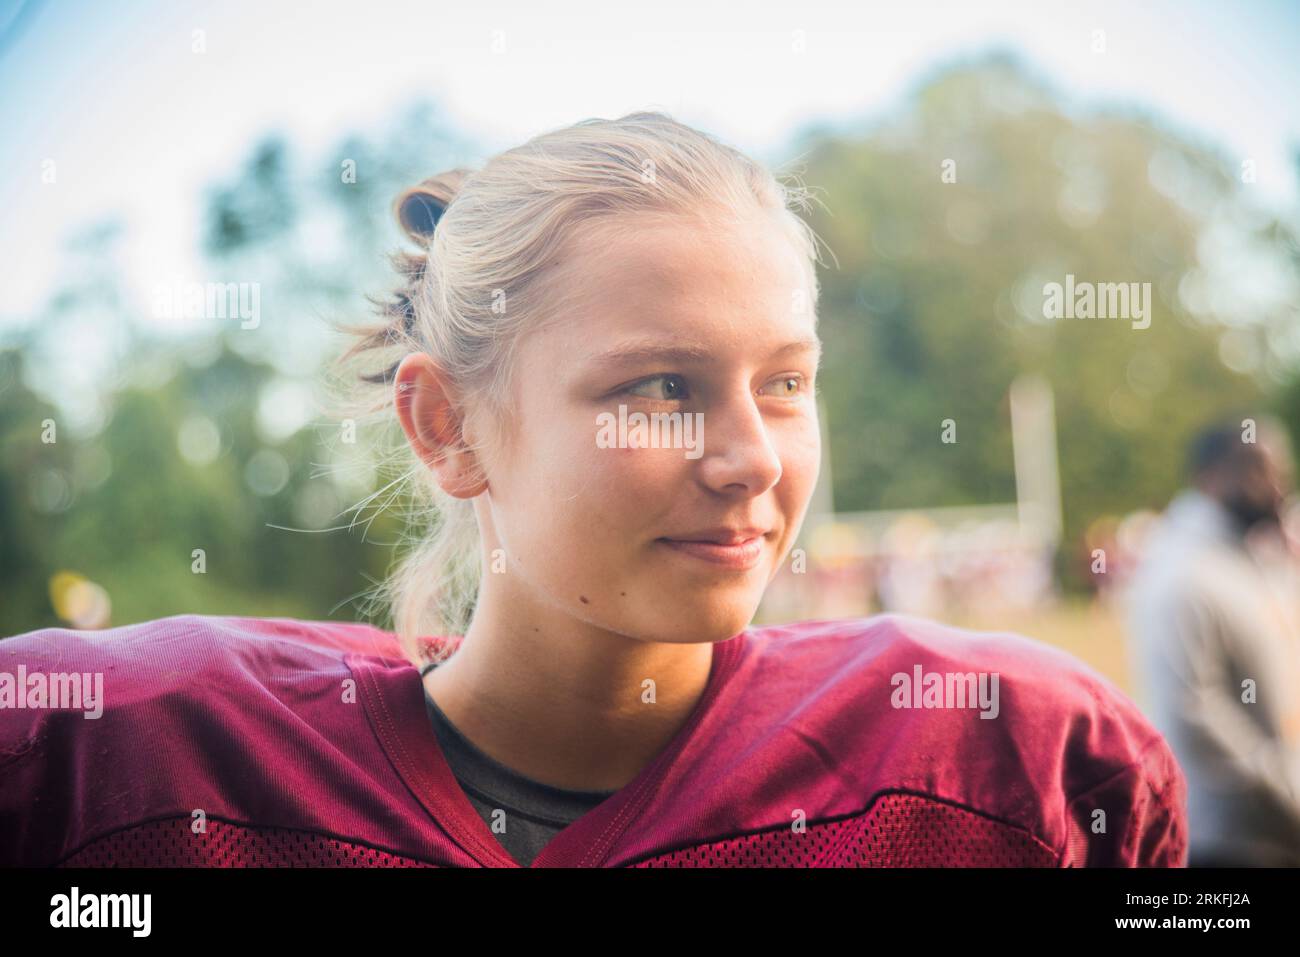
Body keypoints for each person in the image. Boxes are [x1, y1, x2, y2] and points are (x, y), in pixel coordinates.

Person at [0, 112, 1185, 867]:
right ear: (446, 425)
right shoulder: (122, 761)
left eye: (782, 382)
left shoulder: (1003, 763)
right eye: (662, 387)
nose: (752, 458)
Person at [1124, 416, 1300, 866]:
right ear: (1211, 475)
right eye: (1259, 469)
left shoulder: (1250, 555)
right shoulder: (1181, 571)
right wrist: (1286, 786)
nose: (1275, 486)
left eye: (1280, 470)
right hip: (1228, 838)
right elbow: (1195, 713)